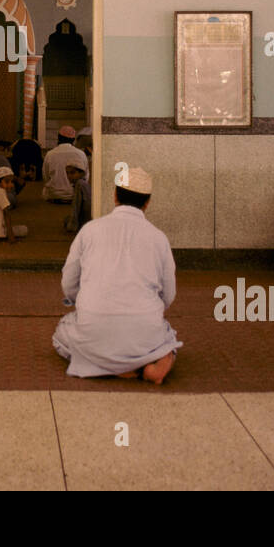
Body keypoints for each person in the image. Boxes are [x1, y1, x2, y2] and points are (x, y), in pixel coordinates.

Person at [52, 168, 181, 384]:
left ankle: (110, 366)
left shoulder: (90, 230)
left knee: (61, 334)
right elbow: (169, 294)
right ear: (147, 202)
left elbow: (69, 281)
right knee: (167, 334)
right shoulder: (159, 238)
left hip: (94, 326)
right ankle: (152, 363)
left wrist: (81, 303)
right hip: (144, 328)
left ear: (114, 196)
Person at [42, 127, 88, 202]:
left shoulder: (50, 154)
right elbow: (85, 176)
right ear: (73, 140)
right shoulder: (81, 154)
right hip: (75, 195)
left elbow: (45, 176)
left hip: (54, 195)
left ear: (59, 138)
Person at [64, 163, 91, 232]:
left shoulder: (80, 184)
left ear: (81, 174)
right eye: (67, 173)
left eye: (72, 173)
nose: (69, 176)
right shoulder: (83, 184)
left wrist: (72, 226)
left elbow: (76, 207)